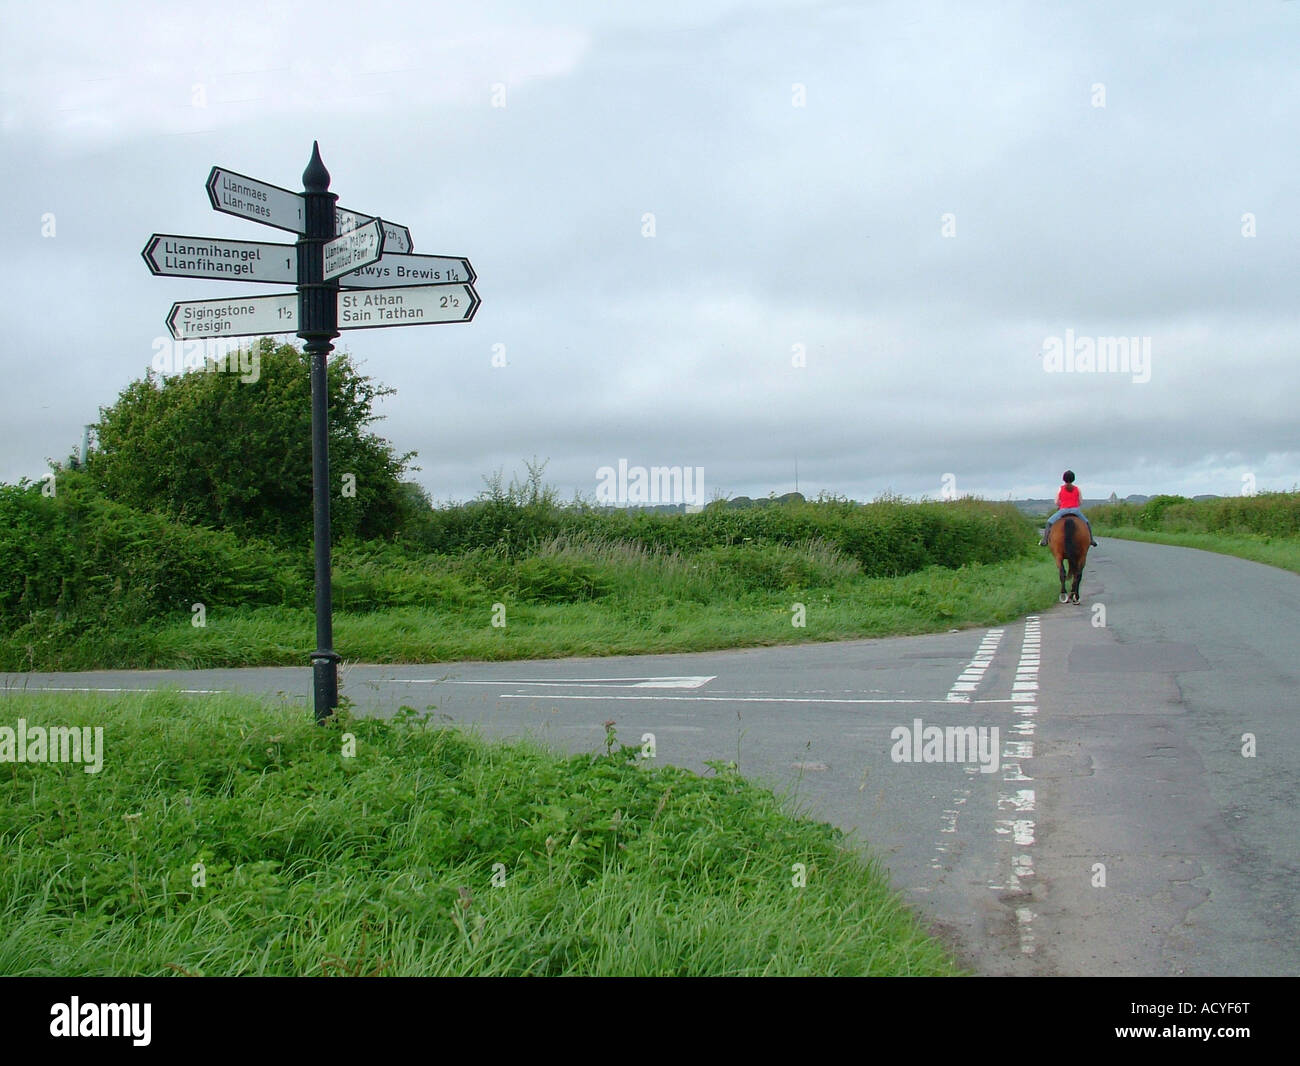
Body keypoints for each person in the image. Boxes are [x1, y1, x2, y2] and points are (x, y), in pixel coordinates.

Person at [1040, 470, 1098, 547]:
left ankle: (1045, 540)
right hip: (1075, 510)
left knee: (1049, 522)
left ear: (1064, 479)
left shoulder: (1060, 489)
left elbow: (1056, 502)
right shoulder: (1077, 489)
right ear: (1073, 479)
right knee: (1087, 523)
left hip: (1063, 510)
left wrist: (1061, 504)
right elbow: (1080, 501)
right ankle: (1091, 540)